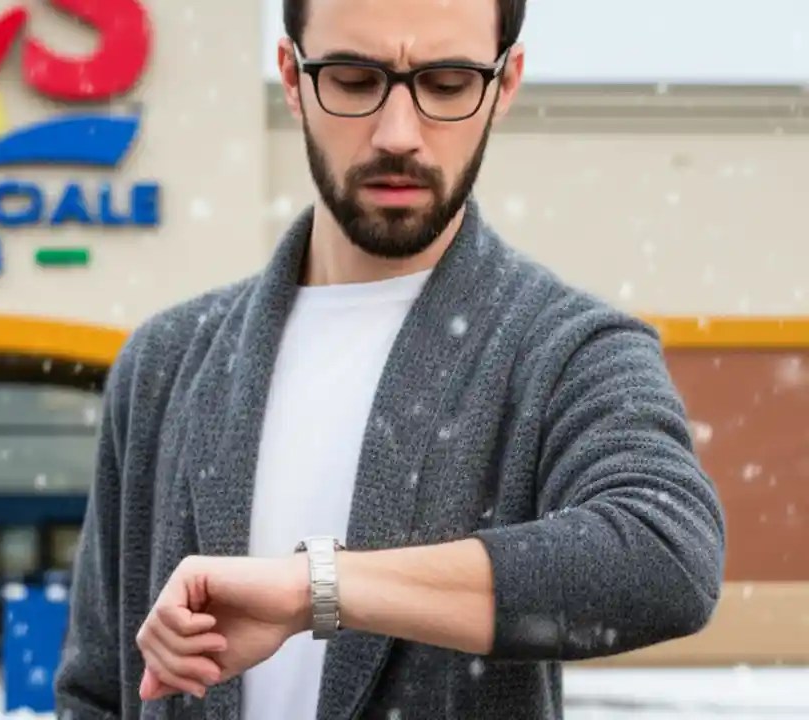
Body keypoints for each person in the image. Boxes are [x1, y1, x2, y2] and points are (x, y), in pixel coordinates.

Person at [53, 0, 727, 717]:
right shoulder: (166, 362)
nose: (398, 134)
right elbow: (96, 689)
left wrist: (316, 589)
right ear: (291, 74)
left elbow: (666, 555)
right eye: (351, 78)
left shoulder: (566, 349)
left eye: (446, 83)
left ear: (504, 84)